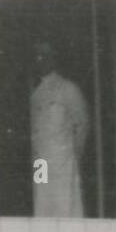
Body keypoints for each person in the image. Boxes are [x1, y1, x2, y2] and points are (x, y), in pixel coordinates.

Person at [30, 41, 89, 218]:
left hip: (63, 163)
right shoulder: (35, 94)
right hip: (41, 164)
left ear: (54, 59)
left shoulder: (68, 89)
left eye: (45, 56)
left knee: (65, 210)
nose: (41, 60)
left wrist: (74, 155)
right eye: (38, 56)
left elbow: (83, 124)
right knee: (42, 209)